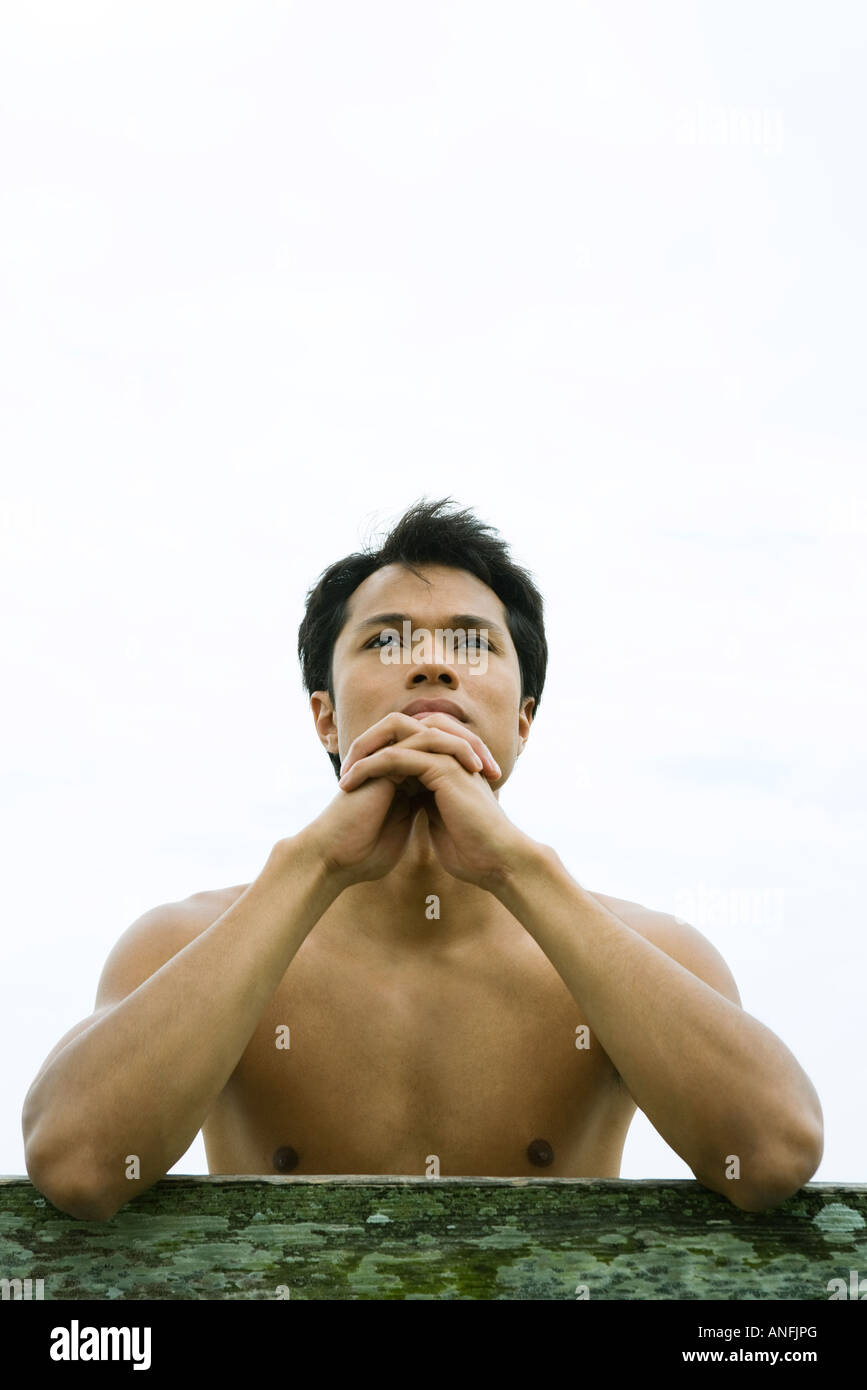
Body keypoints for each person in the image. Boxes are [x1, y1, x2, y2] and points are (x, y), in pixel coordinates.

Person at [21, 497, 823, 1220]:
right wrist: (313, 865)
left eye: (473, 643)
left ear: (524, 721)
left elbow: (772, 1157)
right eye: (385, 640)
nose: (433, 663)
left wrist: (518, 867)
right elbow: (77, 1164)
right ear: (325, 719)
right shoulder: (186, 943)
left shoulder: (648, 951)